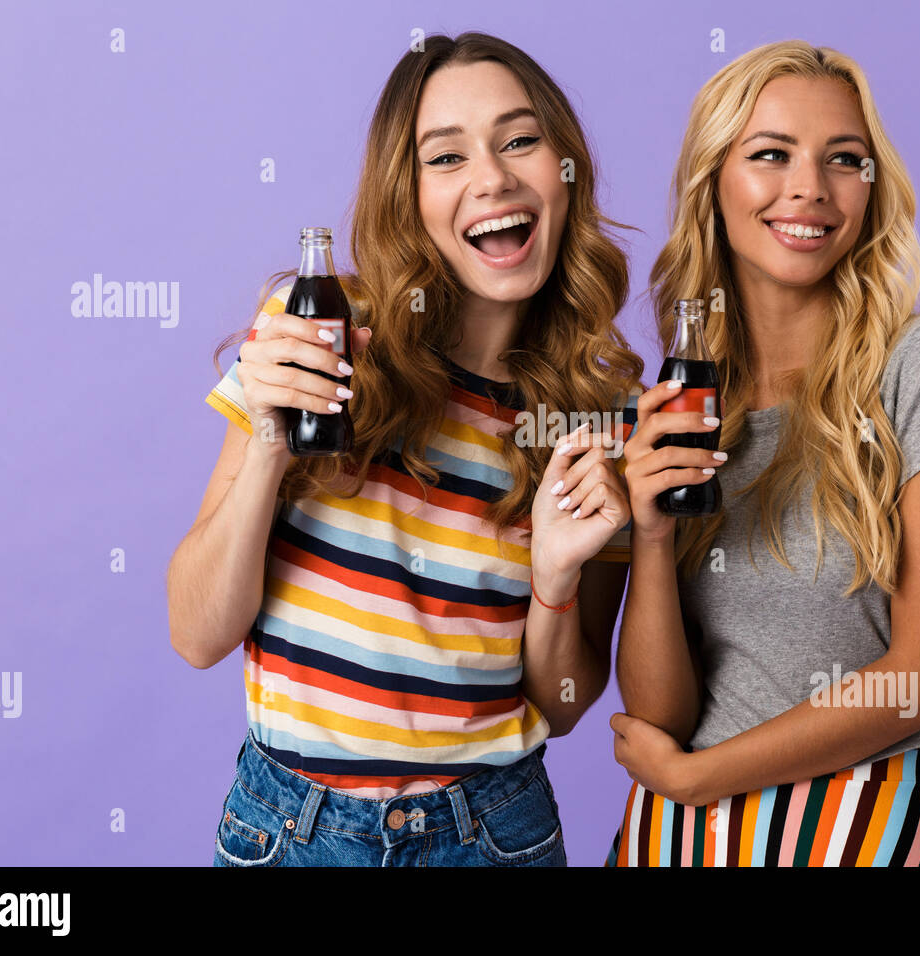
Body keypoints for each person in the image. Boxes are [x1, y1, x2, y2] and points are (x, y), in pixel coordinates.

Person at [166, 32, 642, 867]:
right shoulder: (320, 337)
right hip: (292, 831)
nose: (492, 177)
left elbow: (563, 704)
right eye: (445, 157)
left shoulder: (599, 417)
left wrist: (557, 580)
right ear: (408, 195)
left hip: (493, 834)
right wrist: (272, 446)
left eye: (520, 140)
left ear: (565, 174)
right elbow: (197, 634)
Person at [606, 39, 920, 867]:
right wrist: (647, 532)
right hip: (671, 839)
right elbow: (658, 716)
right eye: (771, 154)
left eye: (843, 160)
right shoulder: (681, 401)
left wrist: (703, 777)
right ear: (715, 180)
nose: (809, 189)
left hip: (848, 831)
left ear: (871, 187)